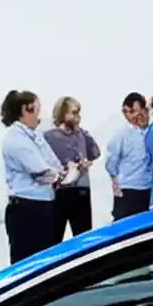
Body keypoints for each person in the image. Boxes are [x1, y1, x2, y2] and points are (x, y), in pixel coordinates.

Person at [0, 89, 63, 264]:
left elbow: (55, 164)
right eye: (36, 110)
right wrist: (61, 175)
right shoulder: (14, 138)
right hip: (27, 208)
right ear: (24, 110)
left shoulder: (35, 136)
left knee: (45, 261)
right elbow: (42, 171)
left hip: (43, 206)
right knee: (26, 262)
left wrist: (60, 173)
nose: (39, 116)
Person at [43, 96, 100, 241]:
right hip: (59, 191)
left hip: (80, 190)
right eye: (74, 113)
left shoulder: (81, 135)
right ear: (63, 113)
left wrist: (85, 162)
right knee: (54, 238)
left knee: (84, 237)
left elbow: (95, 152)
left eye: (78, 113)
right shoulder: (49, 137)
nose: (77, 117)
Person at [105, 92, 153, 220]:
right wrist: (115, 180)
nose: (130, 116)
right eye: (126, 112)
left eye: (133, 111)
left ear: (144, 110)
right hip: (127, 188)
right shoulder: (121, 133)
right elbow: (111, 160)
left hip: (147, 187)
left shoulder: (152, 131)